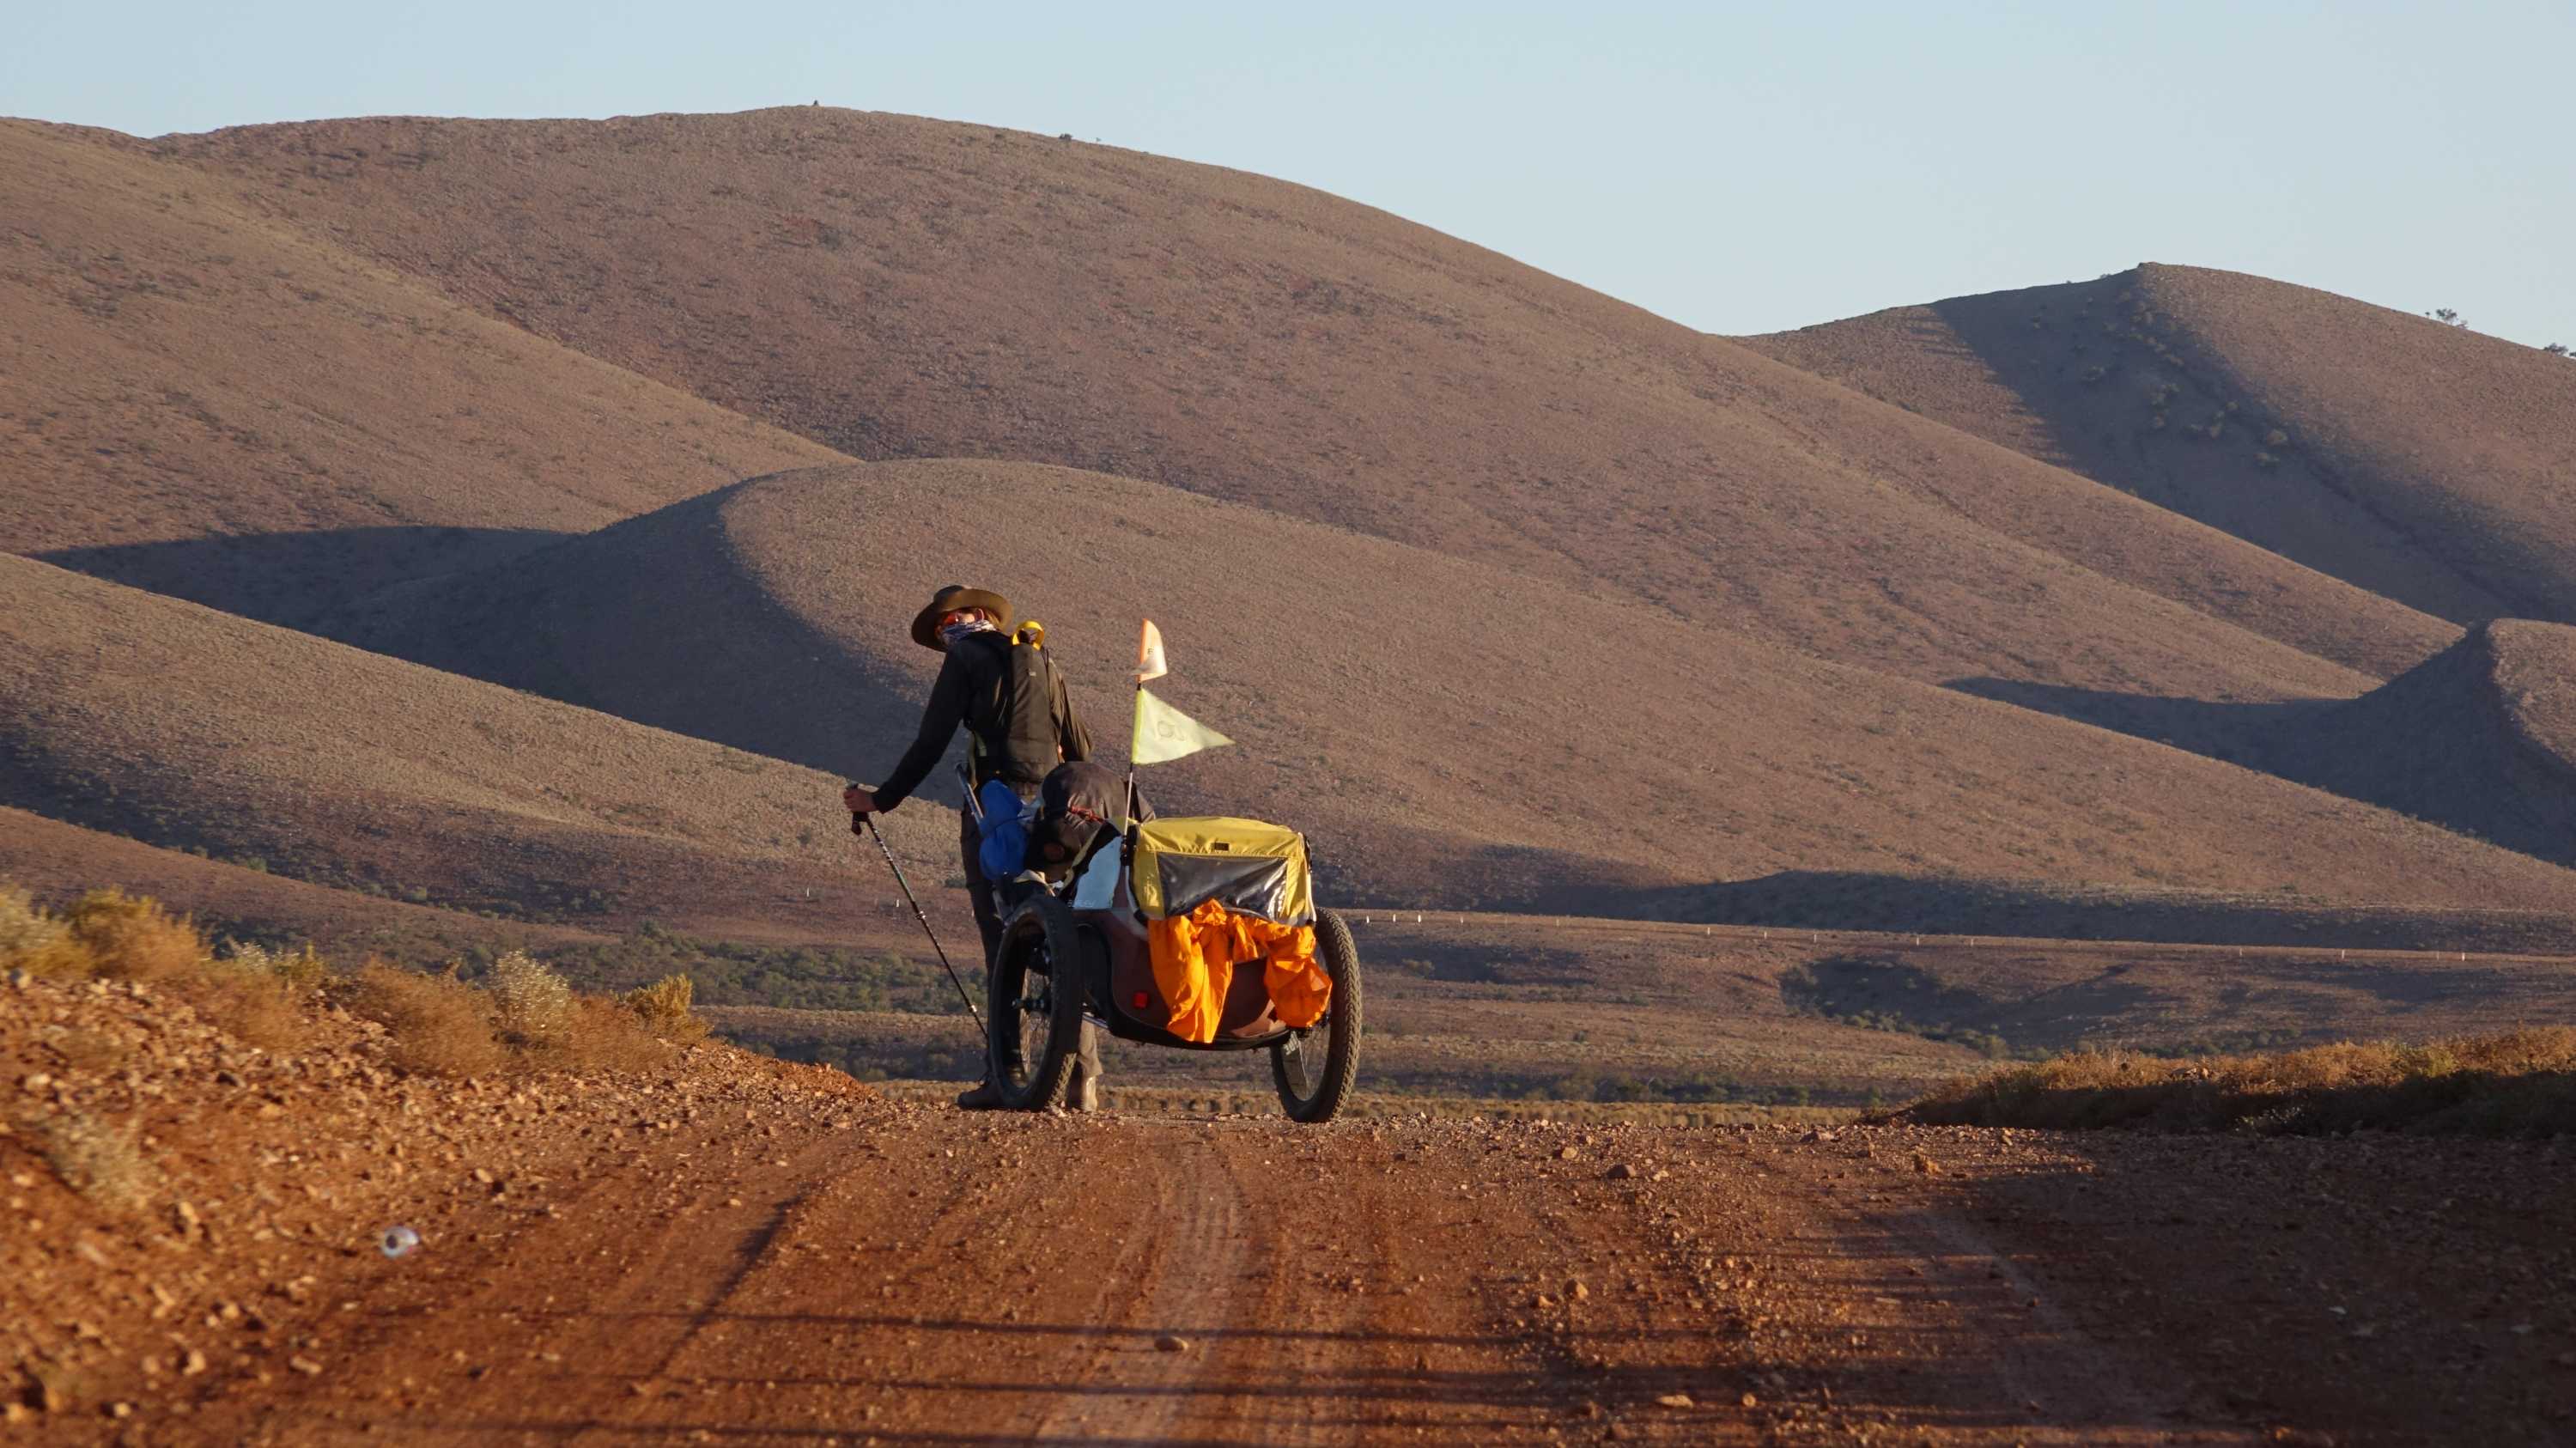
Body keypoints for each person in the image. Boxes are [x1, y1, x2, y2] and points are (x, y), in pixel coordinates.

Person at [845, 585, 1106, 1110]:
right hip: (1064, 819)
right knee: (1065, 943)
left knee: (1002, 941)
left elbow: (931, 741)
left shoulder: (965, 658)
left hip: (996, 811)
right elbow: (1083, 749)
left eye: (949, 620)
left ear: (978, 616)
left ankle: (1004, 1076)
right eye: (941, 628)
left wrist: (882, 800)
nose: (946, 632)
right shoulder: (1042, 660)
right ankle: (1083, 1082)